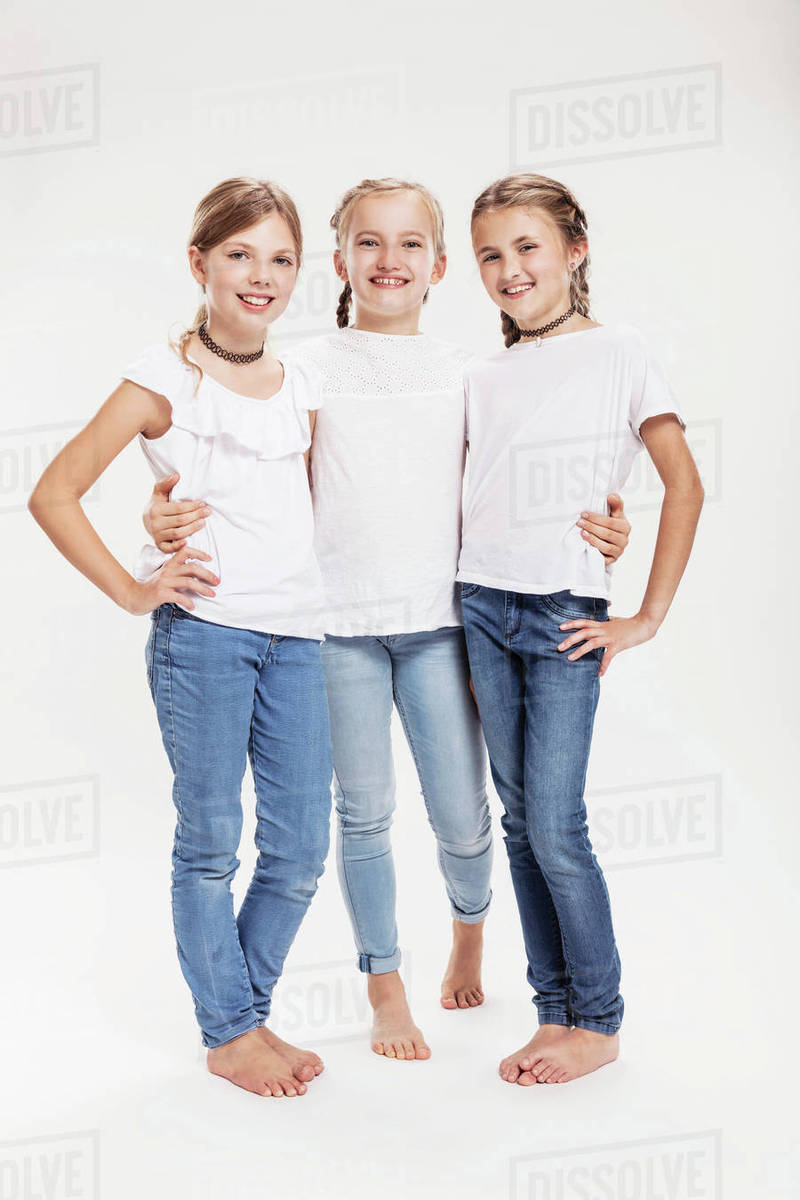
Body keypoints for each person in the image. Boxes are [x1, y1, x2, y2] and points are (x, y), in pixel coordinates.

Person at [140, 178, 633, 1063]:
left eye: (410, 245)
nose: (389, 259)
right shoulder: (306, 369)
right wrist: (161, 512)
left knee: (464, 814)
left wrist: (606, 522)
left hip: (445, 621)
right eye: (369, 243)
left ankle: (471, 928)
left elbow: (514, 483)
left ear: (441, 267)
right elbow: (245, 469)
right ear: (341, 262)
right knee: (361, 815)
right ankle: (385, 987)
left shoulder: (468, 373)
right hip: (335, 630)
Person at [28, 177, 333, 1099]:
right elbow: (54, 491)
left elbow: (313, 506)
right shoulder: (163, 376)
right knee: (209, 844)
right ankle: (231, 1031)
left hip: (300, 639)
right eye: (240, 254)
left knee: (299, 848)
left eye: (281, 259)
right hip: (204, 638)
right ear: (199, 262)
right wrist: (133, 584)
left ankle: (245, 1012)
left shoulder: (304, 382)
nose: (262, 276)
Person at [458, 172, 704, 1085]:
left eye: (527, 247)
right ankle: (552, 1011)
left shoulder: (622, 351)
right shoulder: (478, 373)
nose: (510, 268)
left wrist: (644, 614)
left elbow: (685, 483)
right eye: (491, 254)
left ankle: (596, 1021)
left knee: (557, 823)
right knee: (519, 821)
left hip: (563, 612)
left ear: (575, 248)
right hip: (477, 603)